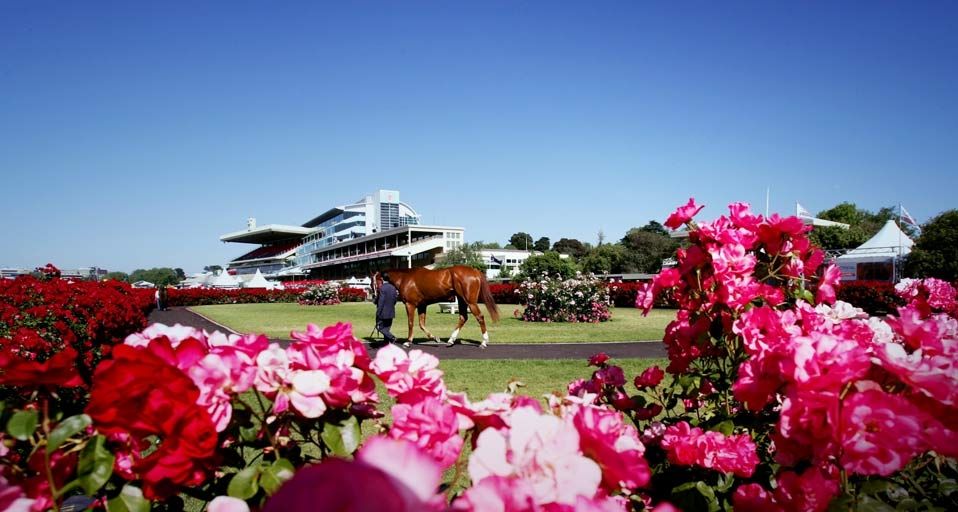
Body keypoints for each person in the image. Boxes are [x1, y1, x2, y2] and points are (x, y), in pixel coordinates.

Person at [374, 272, 399, 346]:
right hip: (391, 311)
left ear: (382, 279)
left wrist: (378, 312)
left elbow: (381, 302)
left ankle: (392, 337)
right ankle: (386, 343)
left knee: (380, 328)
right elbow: (395, 300)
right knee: (387, 328)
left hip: (383, 312)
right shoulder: (393, 287)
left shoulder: (382, 288)